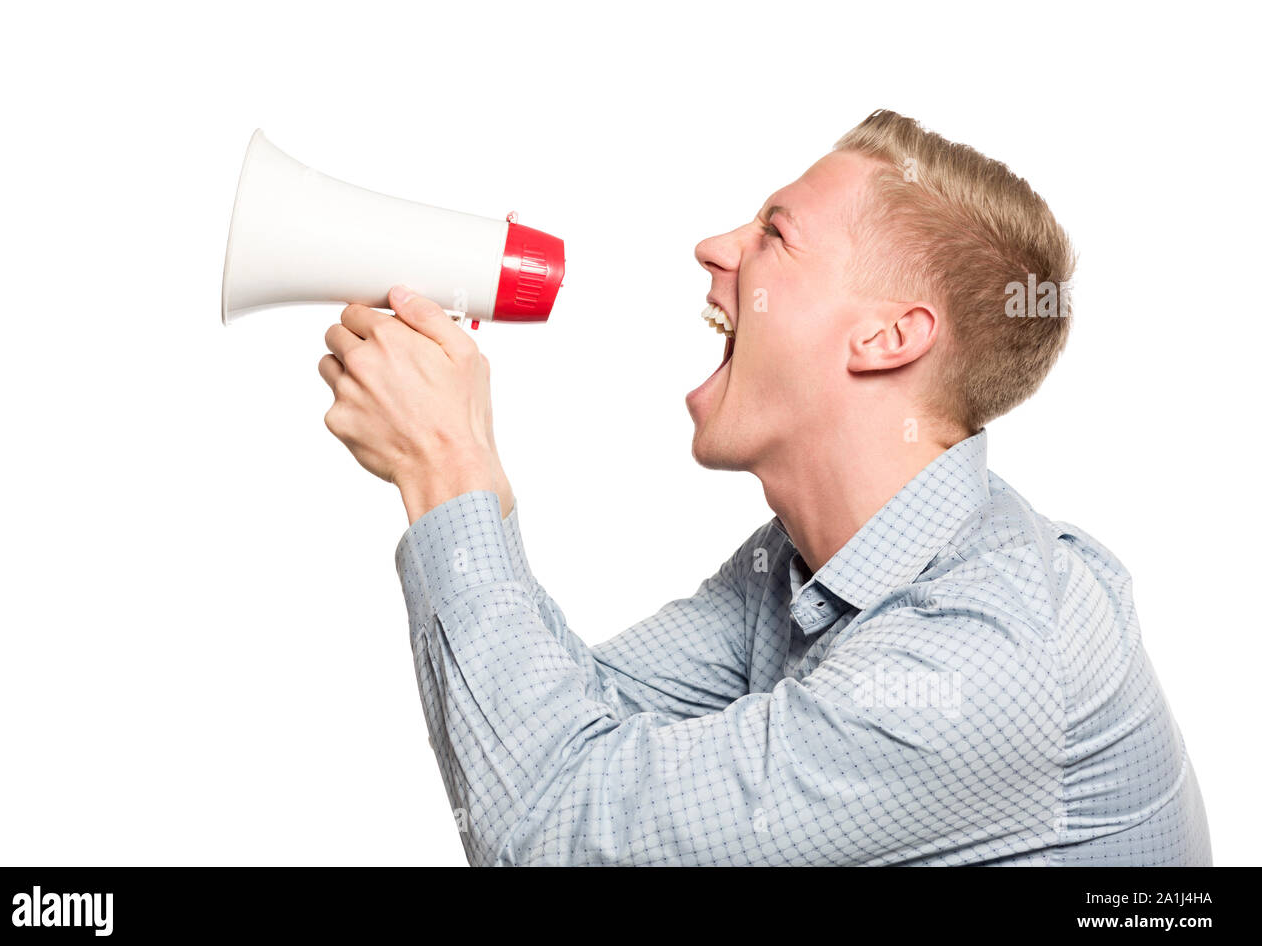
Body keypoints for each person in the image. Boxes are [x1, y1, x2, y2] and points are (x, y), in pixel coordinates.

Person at [317, 109, 1211, 866]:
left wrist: (446, 469)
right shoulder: (799, 564)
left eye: (775, 234)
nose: (713, 248)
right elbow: (561, 728)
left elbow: (548, 826)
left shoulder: (986, 653)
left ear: (888, 338)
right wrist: (470, 473)